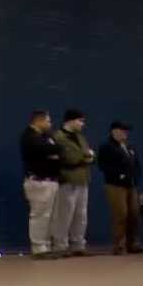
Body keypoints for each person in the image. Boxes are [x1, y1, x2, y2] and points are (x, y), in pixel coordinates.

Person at [19, 110, 62, 259]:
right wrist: (53, 152)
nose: (50, 124)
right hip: (38, 181)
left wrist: (54, 153)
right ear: (38, 121)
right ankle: (38, 247)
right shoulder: (29, 137)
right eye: (48, 121)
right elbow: (46, 150)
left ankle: (46, 245)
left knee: (49, 216)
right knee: (39, 215)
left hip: (50, 180)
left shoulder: (46, 136)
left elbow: (57, 149)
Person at [51, 109, 93, 257]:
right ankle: (60, 245)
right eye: (80, 121)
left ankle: (78, 245)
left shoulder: (80, 137)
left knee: (81, 215)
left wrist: (85, 157)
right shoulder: (58, 137)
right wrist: (85, 157)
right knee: (64, 214)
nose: (82, 124)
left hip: (82, 179)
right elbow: (68, 158)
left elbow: (88, 154)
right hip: (67, 180)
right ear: (69, 120)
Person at [98, 121, 143, 255]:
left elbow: (137, 165)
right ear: (114, 131)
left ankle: (133, 242)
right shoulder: (106, 147)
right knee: (121, 214)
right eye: (123, 130)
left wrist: (136, 177)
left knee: (134, 213)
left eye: (126, 131)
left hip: (131, 185)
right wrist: (119, 175)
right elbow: (103, 165)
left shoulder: (130, 147)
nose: (125, 133)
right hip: (115, 185)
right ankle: (119, 244)